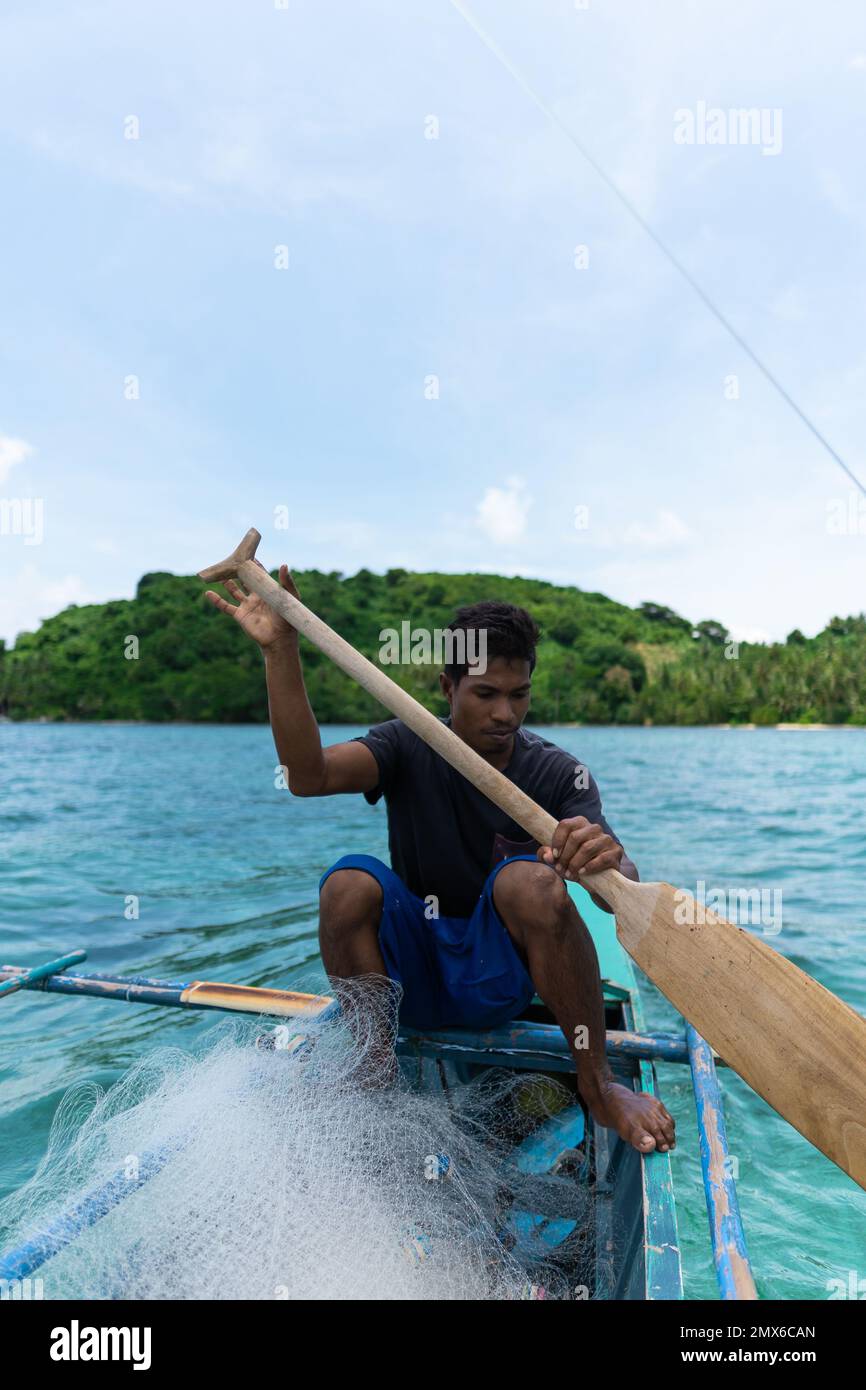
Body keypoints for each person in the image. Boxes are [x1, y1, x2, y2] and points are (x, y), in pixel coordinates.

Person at [205, 564, 675, 1154]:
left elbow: (619, 890)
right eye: (485, 694)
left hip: (497, 981)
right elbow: (307, 776)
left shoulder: (558, 772)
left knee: (530, 884)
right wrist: (281, 652)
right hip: (413, 978)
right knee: (347, 882)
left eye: (519, 695)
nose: (505, 713)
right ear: (448, 688)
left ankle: (599, 1086)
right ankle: (373, 1067)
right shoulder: (405, 742)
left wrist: (606, 859)